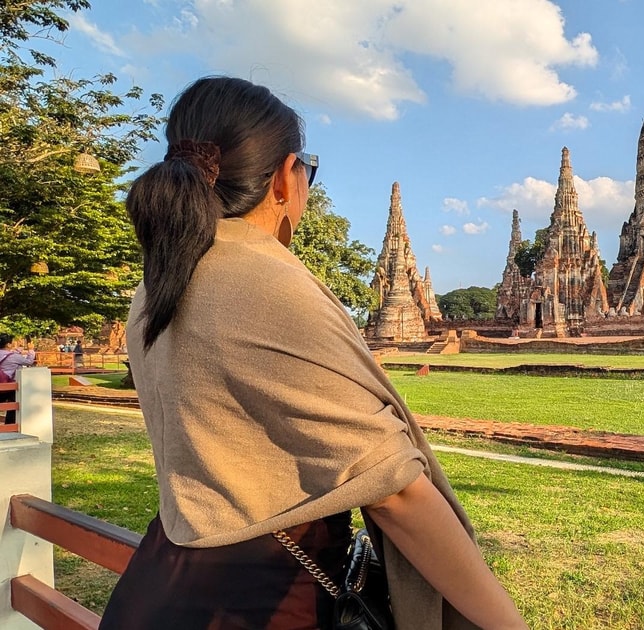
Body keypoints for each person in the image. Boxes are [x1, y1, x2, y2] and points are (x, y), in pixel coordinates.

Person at [99, 77, 526, 630]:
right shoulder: (263, 281)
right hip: (258, 603)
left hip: (159, 584)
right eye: (308, 172)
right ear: (284, 176)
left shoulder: (157, 283)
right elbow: (393, 491)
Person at [0, 333, 37, 424]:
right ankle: (10, 426)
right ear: (8, 344)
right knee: (13, 406)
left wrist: (17, 349)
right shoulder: (13, 357)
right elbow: (29, 361)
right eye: (12, 342)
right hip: (8, 386)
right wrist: (31, 350)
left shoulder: (12, 355)